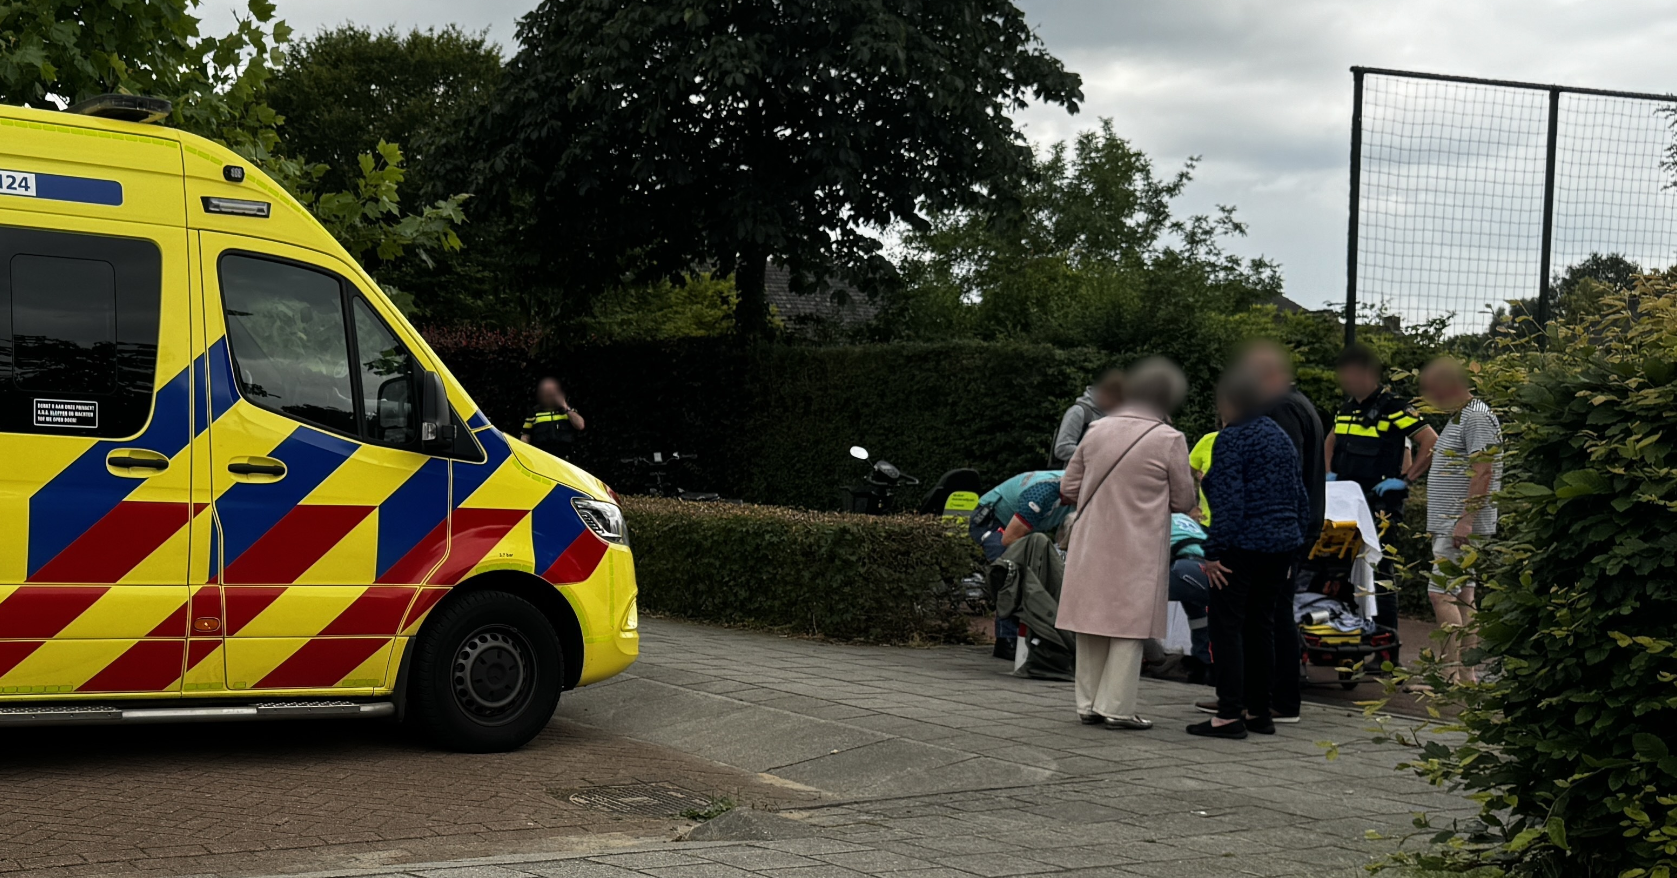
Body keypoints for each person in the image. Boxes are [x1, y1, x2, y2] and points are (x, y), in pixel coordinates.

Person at [1056, 358, 1196, 731]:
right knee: (1128, 627)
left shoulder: (1097, 429)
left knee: (1090, 620)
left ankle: (1086, 704)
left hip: (1091, 539)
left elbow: (1068, 488)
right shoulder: (1169, 440)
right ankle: (1116, 707)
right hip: (1139, 544)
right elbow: (1184, 502)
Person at [1188, 366, 1311, 740]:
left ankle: (1229, 714)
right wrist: (1293, 548)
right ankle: (1260, 711)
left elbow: (1227, 503)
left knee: (1227, 627)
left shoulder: (1232, 440)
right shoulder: (1279, 437)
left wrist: (1213, 552)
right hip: (1280, 546)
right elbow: (1300, 497)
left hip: (1240, 546)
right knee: (1263, 626)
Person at [1326, 345, 1438, 642]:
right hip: (1347, 502)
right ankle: (1350, 635)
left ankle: (1386, 645)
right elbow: (1332, 440)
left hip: (1380, 503)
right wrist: (1328, 473)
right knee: (1343, 570)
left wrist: (1406, 479)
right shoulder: (1348, 407)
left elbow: (1431, 441)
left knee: (1379, 571)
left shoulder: (1393, 407)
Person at [1418, 356, 1502, 684]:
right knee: (1464, 597)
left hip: (1459, 525)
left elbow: (1484, 470)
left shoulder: (1477, 416)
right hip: (1452, 523)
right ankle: (1466, 673)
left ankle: (1448, 673)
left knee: (1440, 595)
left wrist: (1466, 520)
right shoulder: (1460, 417)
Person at [969, 470, 1070, 564]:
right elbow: (1009, 539)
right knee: (1005, 565)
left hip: (1025, 528)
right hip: (993, 521)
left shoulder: (1080, 492)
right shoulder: (1042, 493)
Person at [1051, 370, 1124, 466]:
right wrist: (1098, 455)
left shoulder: (1115, 416)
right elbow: (1062, 449)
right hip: (1077, 476)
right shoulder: (1079, 412)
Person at [520, 377, 586, 458]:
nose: (550, 396)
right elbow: (525, 436)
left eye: (553, 393)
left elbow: (580, 425)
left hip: (565, 456)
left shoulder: (568, 411)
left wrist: (566, 408)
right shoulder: (534, 412)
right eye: (547, 393)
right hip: (541, 456)